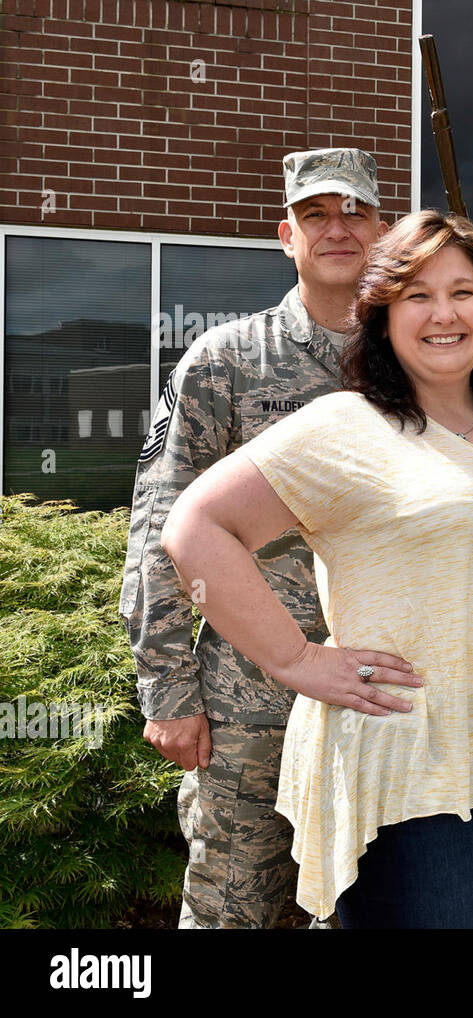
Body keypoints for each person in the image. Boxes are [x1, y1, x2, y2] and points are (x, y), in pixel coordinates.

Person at [157, 209, 473, 928]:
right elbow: (195, 527)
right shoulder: (347, 425)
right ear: (382, 313)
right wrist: (299, 659)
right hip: (406, 768)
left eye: (463, 292)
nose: (443, 314)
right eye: (416, 294)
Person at [119, 147, 389, 928]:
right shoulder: (226, 360)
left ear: (382, 229)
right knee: (232, 913)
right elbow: (158, 525)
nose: (336, 228)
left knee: (371, 911)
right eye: (315, 215)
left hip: (381, 699)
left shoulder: (417, 361)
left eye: (354, 213)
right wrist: (167, 691)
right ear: (286, 235)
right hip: (247, 706)